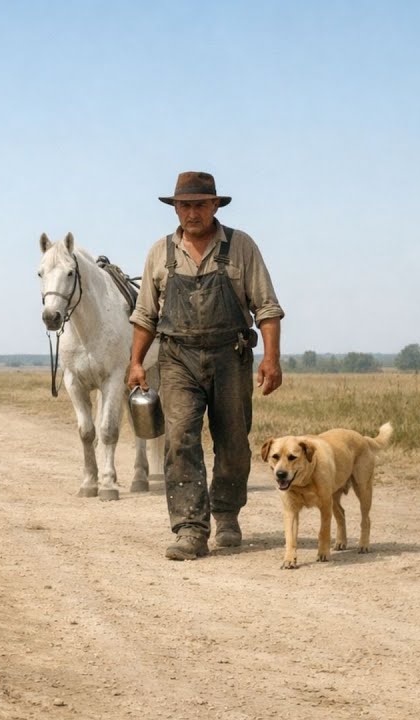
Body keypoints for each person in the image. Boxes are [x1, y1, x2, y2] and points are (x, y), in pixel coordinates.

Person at [126, 171, 284, 561]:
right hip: (177, 358)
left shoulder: (241, 246)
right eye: (184, 205)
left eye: (200, 204)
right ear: (175, 209)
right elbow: (145, 314)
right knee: (180, 440)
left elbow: (266, 307)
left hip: (230, 356)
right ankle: (190, 529)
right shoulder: (159, 254)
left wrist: (272, 358)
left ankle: (227, 514)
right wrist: (135, 363)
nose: (192, 212)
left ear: (215, 206)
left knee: (232, 442)